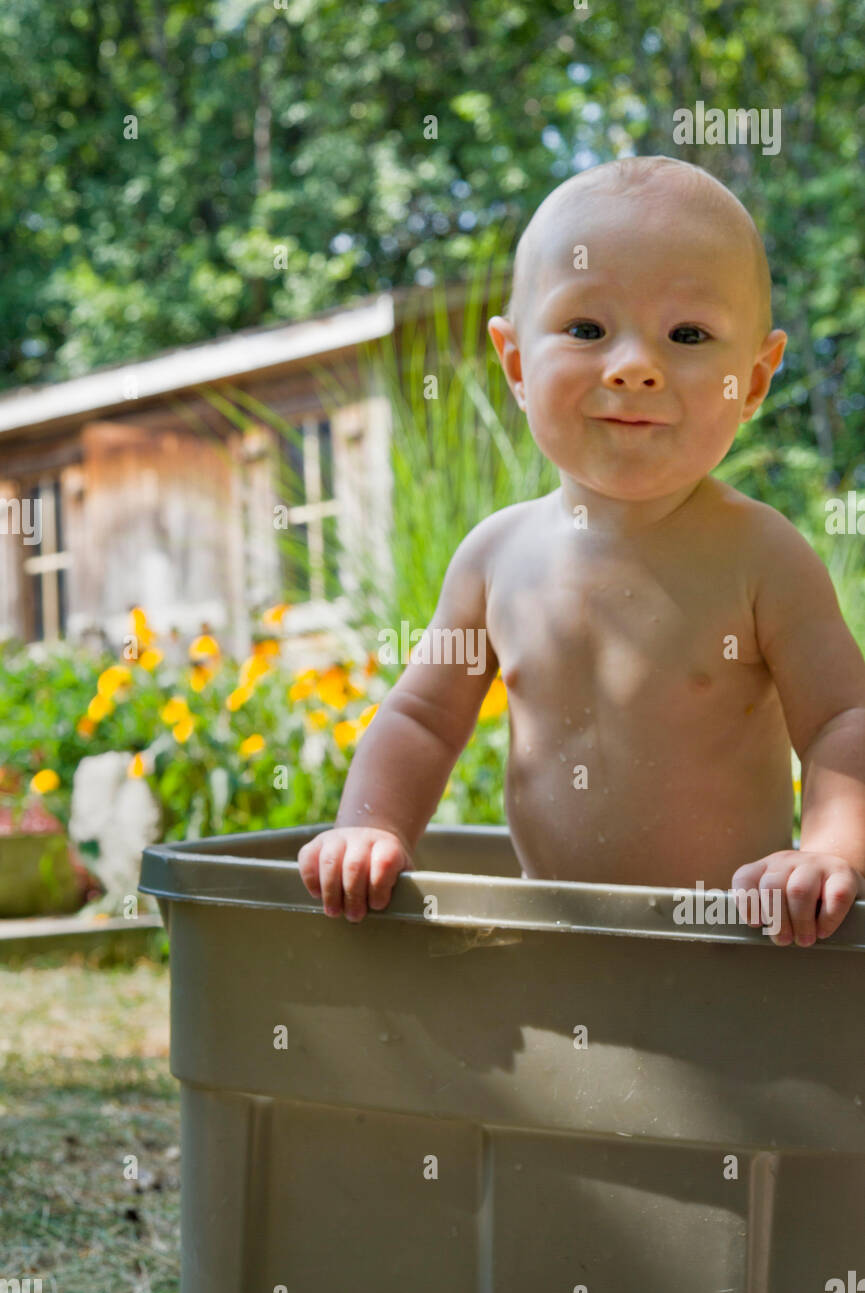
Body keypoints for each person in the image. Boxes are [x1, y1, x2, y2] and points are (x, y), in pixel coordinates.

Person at [299, 155, 865, 948]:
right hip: (558, 947)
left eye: (688, 334)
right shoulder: (494, 557)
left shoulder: (762, 555)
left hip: (737, 948)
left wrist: (826, 852)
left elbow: (843, 717)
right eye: (588, 330)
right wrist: (370, 827)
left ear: (755, 378)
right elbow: (422, 718)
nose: (634, 366)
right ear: (517, 364)